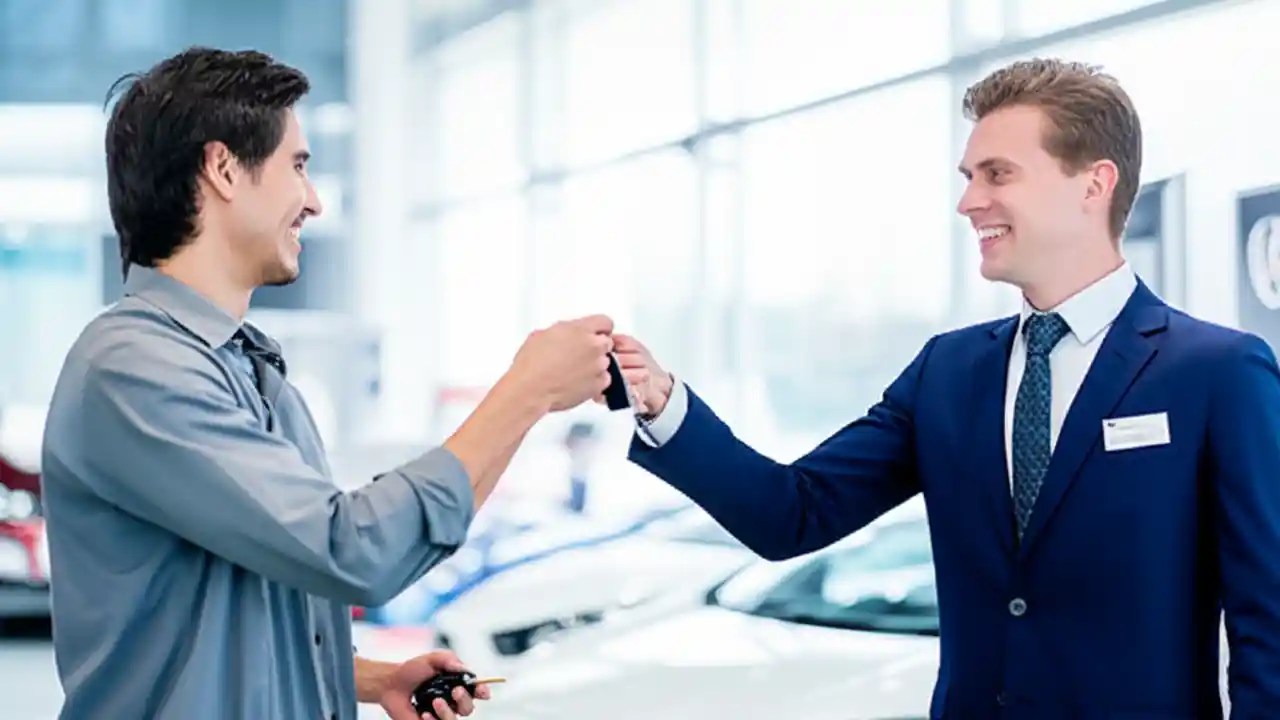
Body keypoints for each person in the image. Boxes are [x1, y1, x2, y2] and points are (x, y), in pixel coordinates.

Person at [613, 58, 1280, 718]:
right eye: (969, 178)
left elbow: (1268, 622)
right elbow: (792, 513)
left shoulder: (1216, 372)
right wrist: (664, 402)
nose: (969, 202)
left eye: (998, 175)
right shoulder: (947, 373)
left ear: (1093, 184)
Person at [39, 47, 616, 720]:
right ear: (223, 168)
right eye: (298, 166)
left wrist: (366, 678)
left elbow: (260, 589)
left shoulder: (252, 373)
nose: (312, 201)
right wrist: (527, 393)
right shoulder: (133, 367)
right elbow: (350, 551)